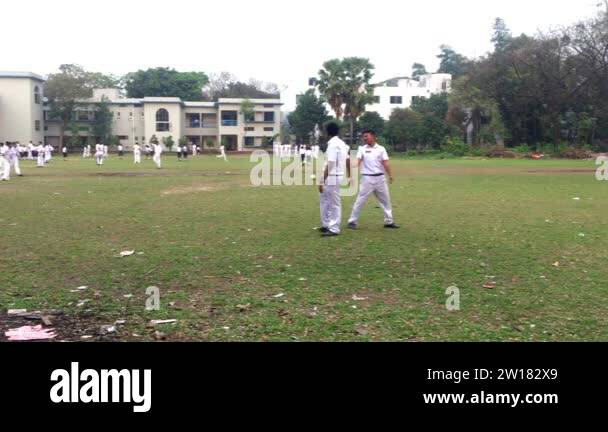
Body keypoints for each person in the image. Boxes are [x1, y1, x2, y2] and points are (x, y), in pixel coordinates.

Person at [347, 129, 399, 230]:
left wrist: (390, 175)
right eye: (364, 136)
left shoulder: (381, 149)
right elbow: (357, 162)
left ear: (373, 136)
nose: (364, 138)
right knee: (360, 200)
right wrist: (351, 173)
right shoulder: (362, 149)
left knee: (386, 201)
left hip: (380, 178)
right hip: (367, 179)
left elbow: (386, 163)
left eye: (366, 136)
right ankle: (352, 221)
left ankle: (389, 222)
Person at [319, 122, 351, 237]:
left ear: (328, 132)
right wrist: (349, 175)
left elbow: (331, 164)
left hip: (332, 176)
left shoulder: (333, 144)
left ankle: (334, 228)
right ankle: (326, 224)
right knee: (325, 200)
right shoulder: (342, 143)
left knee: (333, 202)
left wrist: (322, 180)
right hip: (336, 175)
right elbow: (347, 159)